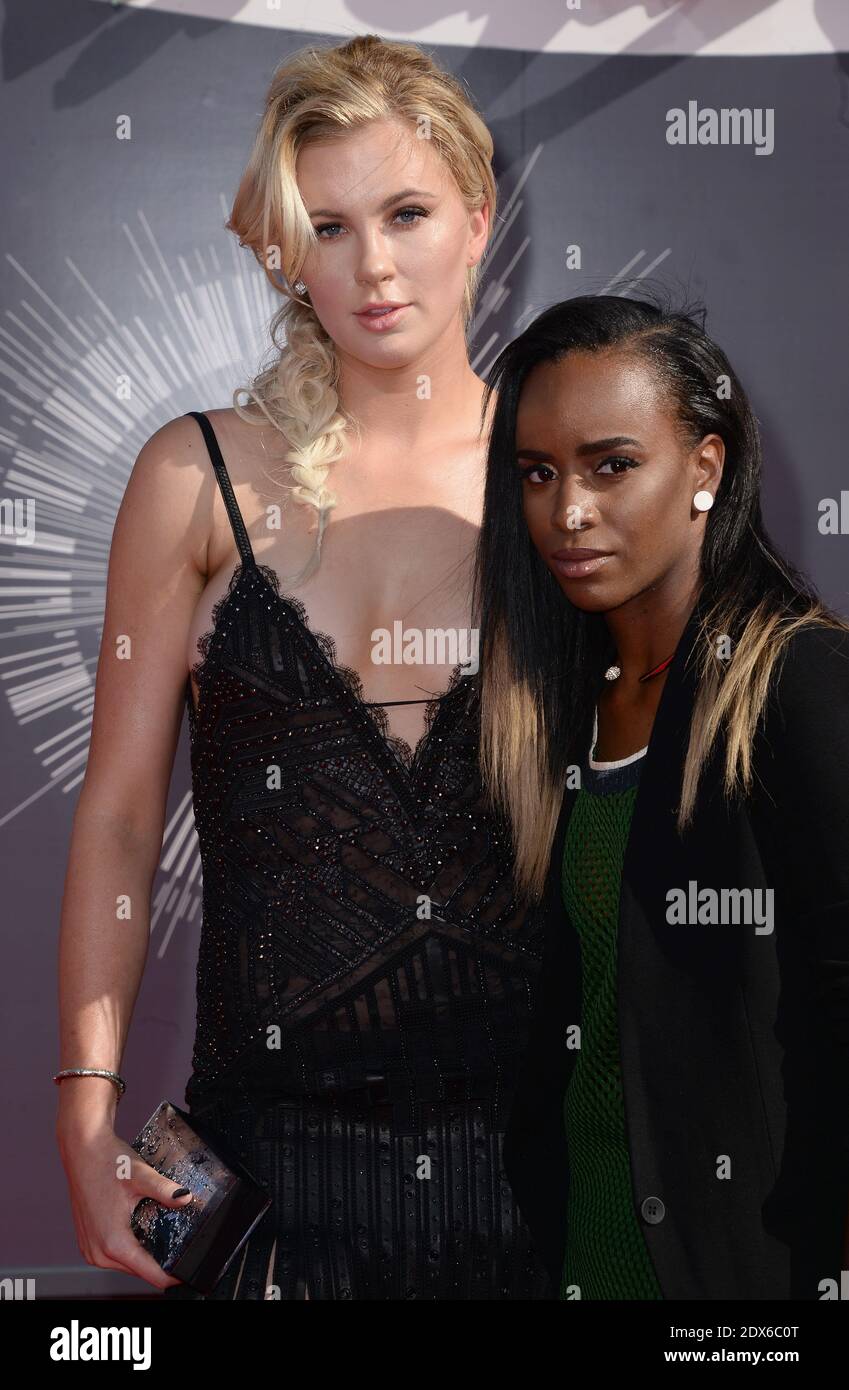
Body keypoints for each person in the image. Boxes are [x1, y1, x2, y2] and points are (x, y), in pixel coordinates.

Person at [54, 35, 552, 1300]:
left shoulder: (562, 481)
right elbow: (116, 815)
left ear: (479, 220)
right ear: (285, 250)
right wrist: (87, 1099)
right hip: (267, 1175)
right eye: (328, 226)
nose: (374, 264)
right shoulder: (195, 479)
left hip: (540, 1163)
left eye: (408, 213)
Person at [470, 291, 849, 1300]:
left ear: (706, 469)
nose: (568, 511)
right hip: (579, 1260)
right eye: (538, 473)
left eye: (612, 465)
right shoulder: (548, 710)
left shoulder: (795, 681)